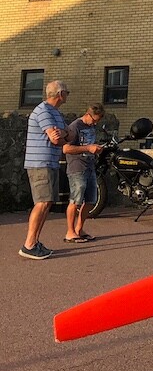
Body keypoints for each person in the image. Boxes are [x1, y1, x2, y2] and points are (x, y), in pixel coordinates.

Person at [20, 79, 70, 260]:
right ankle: (29, 244)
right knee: (42, 203)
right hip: (40, 163)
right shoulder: (43, 111)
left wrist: (63, 133)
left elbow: (68, 134)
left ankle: (34, 242)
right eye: (67, 92)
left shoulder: (55, 113)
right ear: (60, 94)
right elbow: (56, 139)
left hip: (50, 163)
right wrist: (62, 135)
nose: (68, 96)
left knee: (47, 203)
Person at [63, 102, 105, 242]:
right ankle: (70, 232)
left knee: (91, 200)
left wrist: (96, 149)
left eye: (97, 122)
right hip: (77, 167)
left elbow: (90, 146)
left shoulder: (91, 127)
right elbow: (66, 149)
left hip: (90, 166)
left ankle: (79, 229)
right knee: (76, 200)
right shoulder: (75, 126)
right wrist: (88, 148)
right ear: (88, 115)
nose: (95, 124)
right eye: (94, 120)